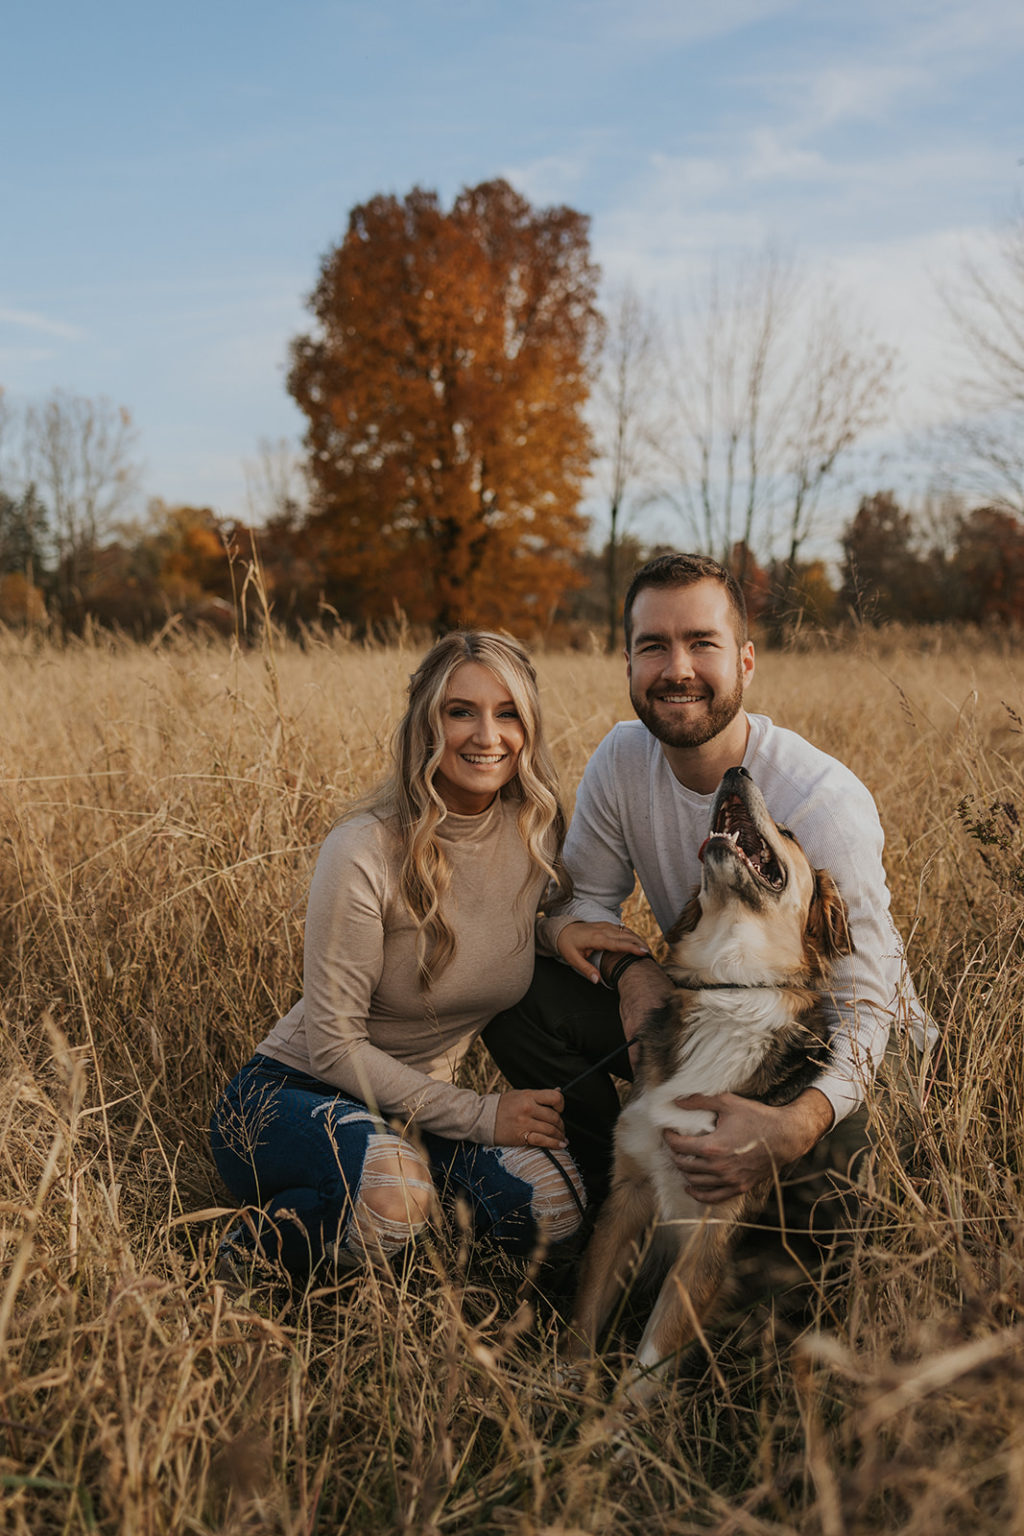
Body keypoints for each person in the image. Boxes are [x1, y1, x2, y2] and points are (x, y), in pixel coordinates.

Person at [485, 553, 932, 1222]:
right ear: (628, 665)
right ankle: (609, 1197)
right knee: (515, 992)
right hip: (704, 1015)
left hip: (829, 1043)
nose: (677, 669)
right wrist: (631, 972)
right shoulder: (622, 759)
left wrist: (795, 1126)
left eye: (701, 643)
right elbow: (575, 903)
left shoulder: (821, 801)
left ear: (746, 662)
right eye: (653, 646)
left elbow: (866, 1009)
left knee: (826, 1213)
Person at [210, 630, 643, 1283]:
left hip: (414, 1108)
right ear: (425, 723)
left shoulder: (533, 828)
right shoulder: (363, 848)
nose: (487, 735)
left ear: (528, 727)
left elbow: (492, 920)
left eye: (507, 713)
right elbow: (333, 1046)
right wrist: (481, 1115)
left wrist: (554, 933)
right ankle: (247, 1254)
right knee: (395, 1195)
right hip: (290, 1095)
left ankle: (393, 1229)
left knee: (553, 1206)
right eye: (460, 711)